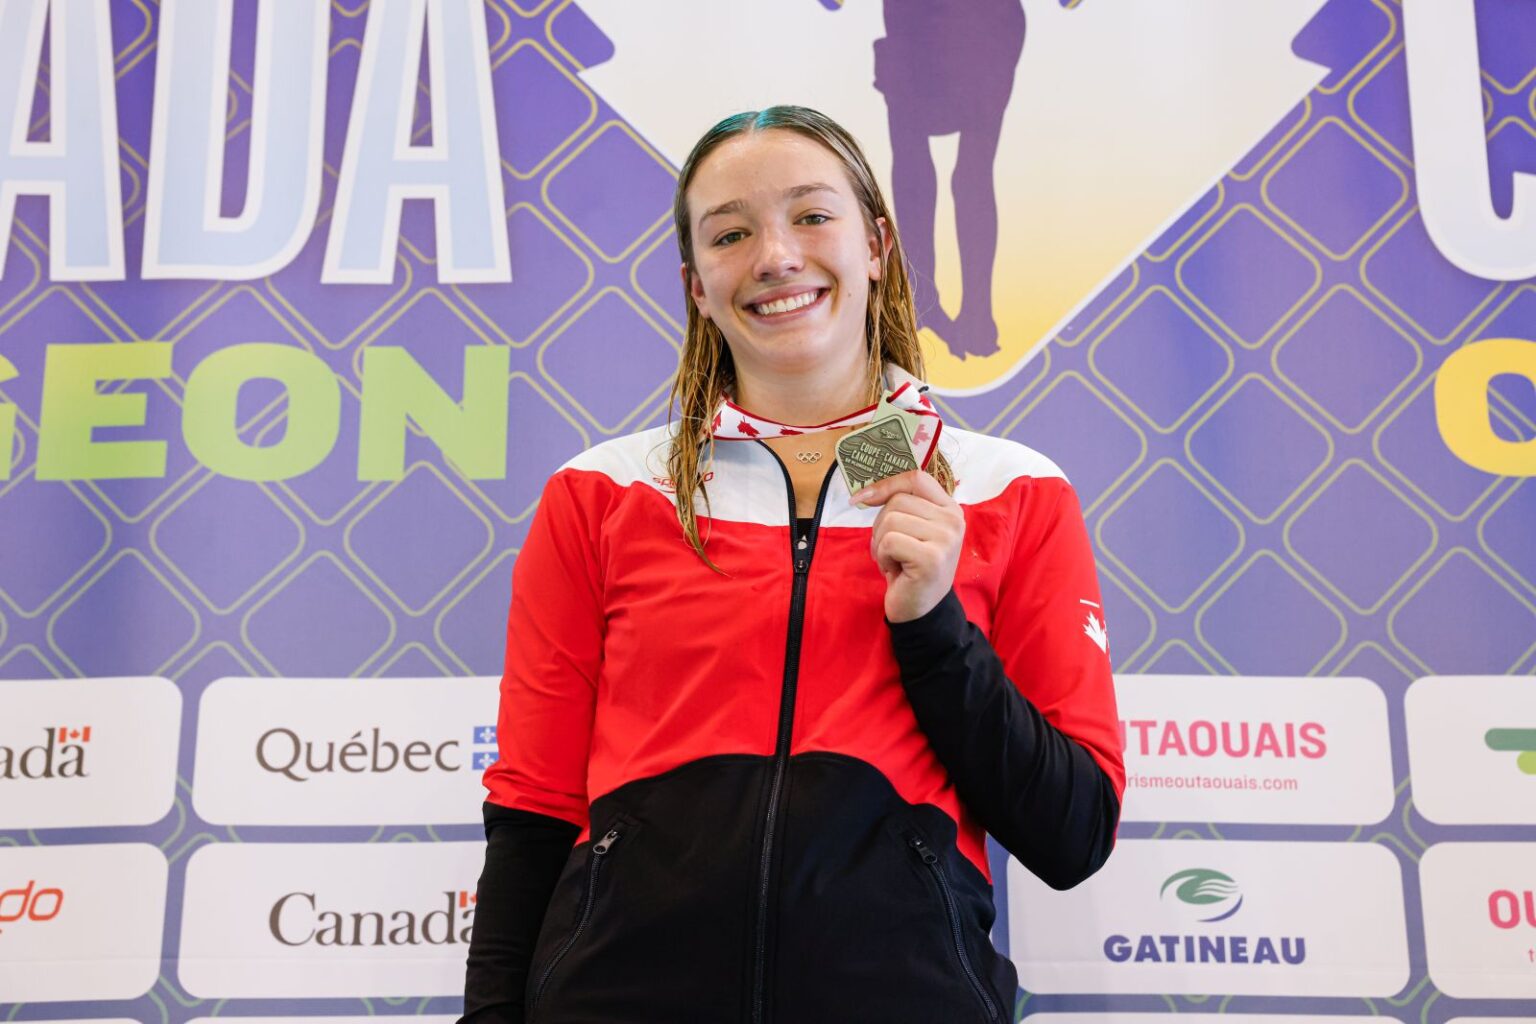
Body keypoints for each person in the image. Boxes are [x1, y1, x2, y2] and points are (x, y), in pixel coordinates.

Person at [462, 105, 1123, 1024]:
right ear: (697, 286)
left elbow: (1072, 832)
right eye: (731, 233)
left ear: (878, 244)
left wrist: (936, 630)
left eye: (812, 216)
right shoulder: (600, 493)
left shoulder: (1011, 492)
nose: (775, 255)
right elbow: (533, 805)